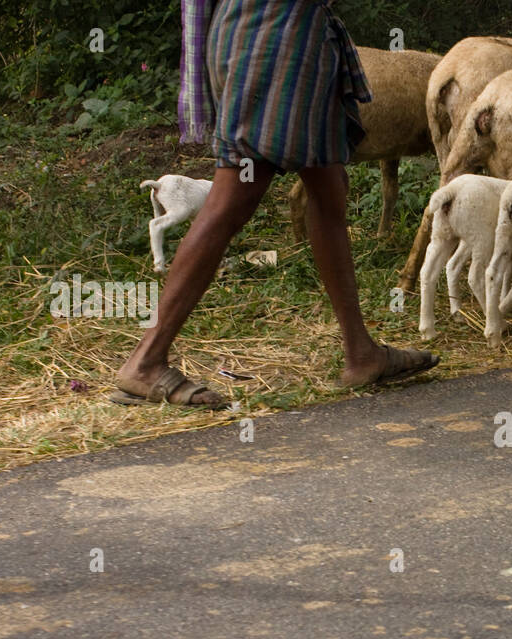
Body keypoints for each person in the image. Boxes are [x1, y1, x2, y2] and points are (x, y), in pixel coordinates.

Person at [113, 0, 438, 407]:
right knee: (233, 196)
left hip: (273, 36)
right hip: (275, 44)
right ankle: (145, 361)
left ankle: (361, 354)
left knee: (327, 185)